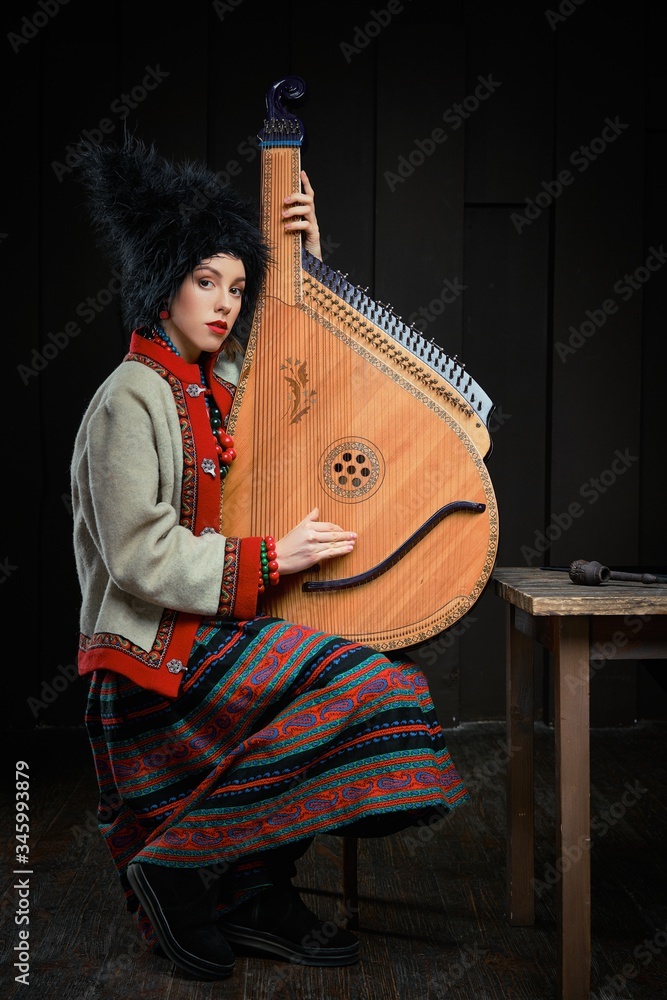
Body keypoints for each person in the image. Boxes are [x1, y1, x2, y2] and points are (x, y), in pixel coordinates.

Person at [71, 134, 469, 982]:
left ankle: (255, 890)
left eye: (237, 288)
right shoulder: (129, 397)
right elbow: (139, 555)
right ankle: (177, 864)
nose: (224, 304)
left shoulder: (218, 385)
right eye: (204, 281)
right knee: (368, 684)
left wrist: (303, 257)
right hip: (155, 667)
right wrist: (271, 556)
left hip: (210, 644)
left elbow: (295, 367)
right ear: (163, 283)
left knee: (378, 672)